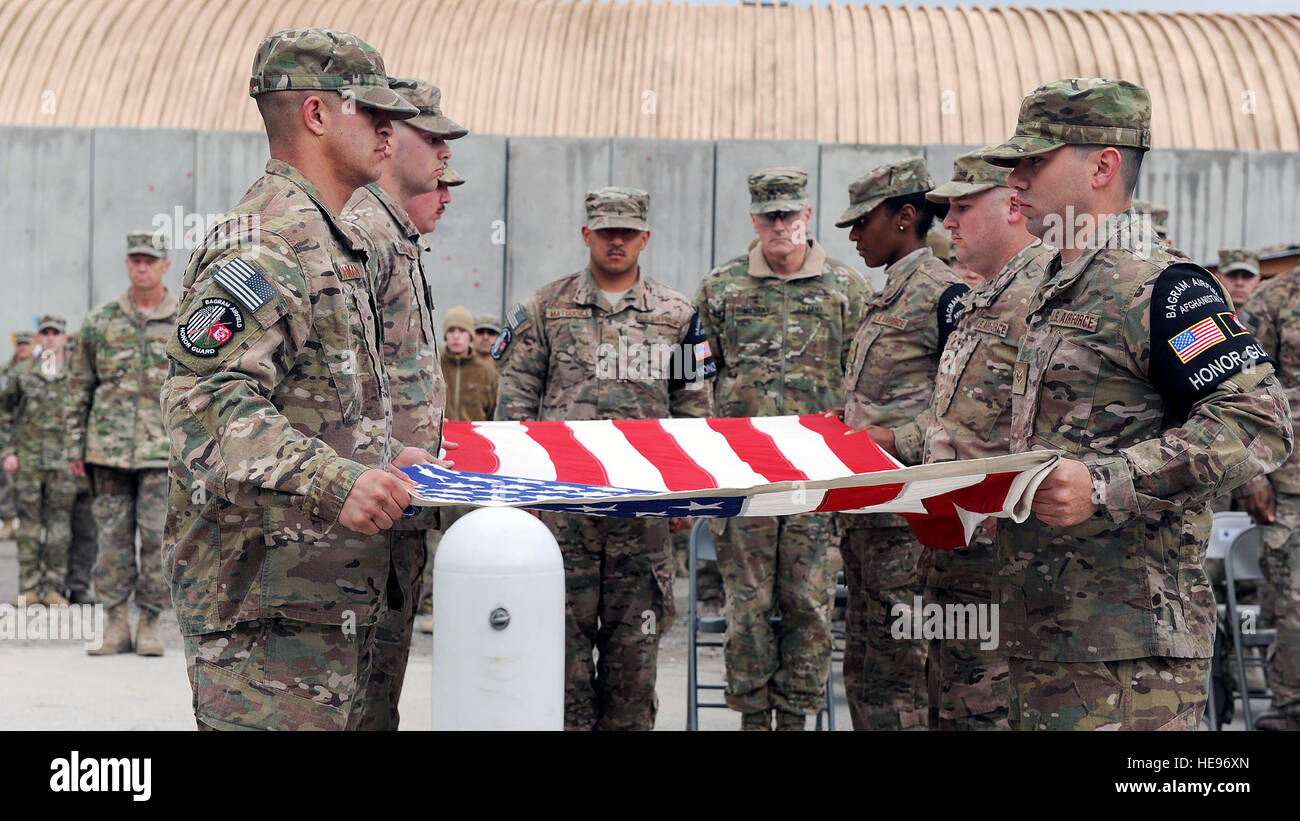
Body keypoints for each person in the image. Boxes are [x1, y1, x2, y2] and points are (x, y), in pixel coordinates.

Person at [982, 77, 1291, 730]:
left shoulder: (1164, 287)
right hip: (1041, 635)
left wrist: (1105, 482)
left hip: (1130, 660)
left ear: (1102, 164)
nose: (1016, 175)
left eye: (1036, 158)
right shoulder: (1042, 284)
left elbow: (1258, 423)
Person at [160, 26, 427, 731]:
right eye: (371, 112)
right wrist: (338, 480)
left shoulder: (332, 240)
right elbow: (203, 403)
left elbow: (310, 402)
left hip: (321, 601)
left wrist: (378, 459)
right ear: (315, 114)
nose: (389, 128)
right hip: (266, 621)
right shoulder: (267, 241)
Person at [495, 186, 716, 730]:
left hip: (640, 519)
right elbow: (515, 409)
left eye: (627, 231)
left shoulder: (676, 314)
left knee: (633, 673)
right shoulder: (544, 308)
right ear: (586, 234)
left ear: (645, 237)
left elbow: (694, 411)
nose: (616, 241)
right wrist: (519, 499)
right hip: (562, 519)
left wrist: (686, 493)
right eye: (605, 230)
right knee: (558, 668)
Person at [870, 148, 1053, 729]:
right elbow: (958, 425)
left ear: (1013, 206)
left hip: (1005, 565)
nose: (946, 223)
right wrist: (887, 440)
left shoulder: (1044, 300)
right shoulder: (982, 297)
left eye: (961, 208)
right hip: (955, 559)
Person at [694, 166, 870, 730]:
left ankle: (795, 718)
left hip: (816, 481)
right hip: (743, 480)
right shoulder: (722, 288)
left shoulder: (846, 288)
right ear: (753, 219)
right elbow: (699, 377)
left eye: (789, 215)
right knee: (747, 608)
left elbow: (863, 381)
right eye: (769, 216)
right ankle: (751, 719)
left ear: (807, 216)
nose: (780, 226)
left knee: (809, 607)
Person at [342, 76, 463, 730]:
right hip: (373, 498)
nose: (445, 154)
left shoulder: (397, 237)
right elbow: (336, 384)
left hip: (401, 496)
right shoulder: (365, 234)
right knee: (360, 688)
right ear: (387, 138)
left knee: (381, 682)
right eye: (433, 136)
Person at [835, 156, 967, 730]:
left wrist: (894, 437)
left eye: (863, 221)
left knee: (902, 673)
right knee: (865, 664)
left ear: (906, 216)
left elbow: (970, 408)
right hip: (870, 513)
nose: (855, 234)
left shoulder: (943, 293)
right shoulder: (890, 292)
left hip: (908, 518)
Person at [68, 230, 178, 657]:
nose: (142, 266)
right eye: (135, 260)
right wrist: (75, 447)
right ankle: (115, 622)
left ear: (165, 265)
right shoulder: (101, 321)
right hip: (108, 452)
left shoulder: (185, 320)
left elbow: (198, 388)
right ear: (128, 264)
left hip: (161, 454)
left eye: (150, 260)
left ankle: (149, 622)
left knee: (156, 540)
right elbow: (80, 387)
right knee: (111, 541)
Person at [1236, 263, 1300, 730]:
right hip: (1290, 484)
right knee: (1295, 604)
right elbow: (1239, 392)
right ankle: (1290, 709)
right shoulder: (1273, 299)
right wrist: (1250, 478)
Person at [0, 316, 77, 606]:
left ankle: (54, 588)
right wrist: (7, 451)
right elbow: (4, 414)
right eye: (45, 333)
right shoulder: (22, 373)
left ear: (64, 338)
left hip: (63, 462)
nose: (50, 338)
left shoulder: (74, 374)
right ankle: (29, 588)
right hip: (29, 460)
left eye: (56, 333)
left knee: (59, 527)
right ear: (37, 337)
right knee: (29, 528)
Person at [0, 331, 35, 541]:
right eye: (19, 344)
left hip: (30, 434)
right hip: (7, 431)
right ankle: (9, 519)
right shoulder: (6, 370)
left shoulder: (40, 370)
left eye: (26, 344)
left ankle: (27, 522)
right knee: (5, 477)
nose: (22, 347)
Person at [441, 305, 499, 422]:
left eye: (462, 331)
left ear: (470, 336)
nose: (456, 336)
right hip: (442, 437)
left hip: (475, 437)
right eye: (451, 331)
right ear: (446, 335)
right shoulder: (434, 366)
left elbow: (494, 414)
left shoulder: (487, 372)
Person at [1215, 249, 1263, 332]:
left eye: (1247, 276)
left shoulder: (1270, 320)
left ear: (1258, 280)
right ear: (1218, 278)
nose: (1239, 283)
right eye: (1232, 276)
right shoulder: (1207, 317)